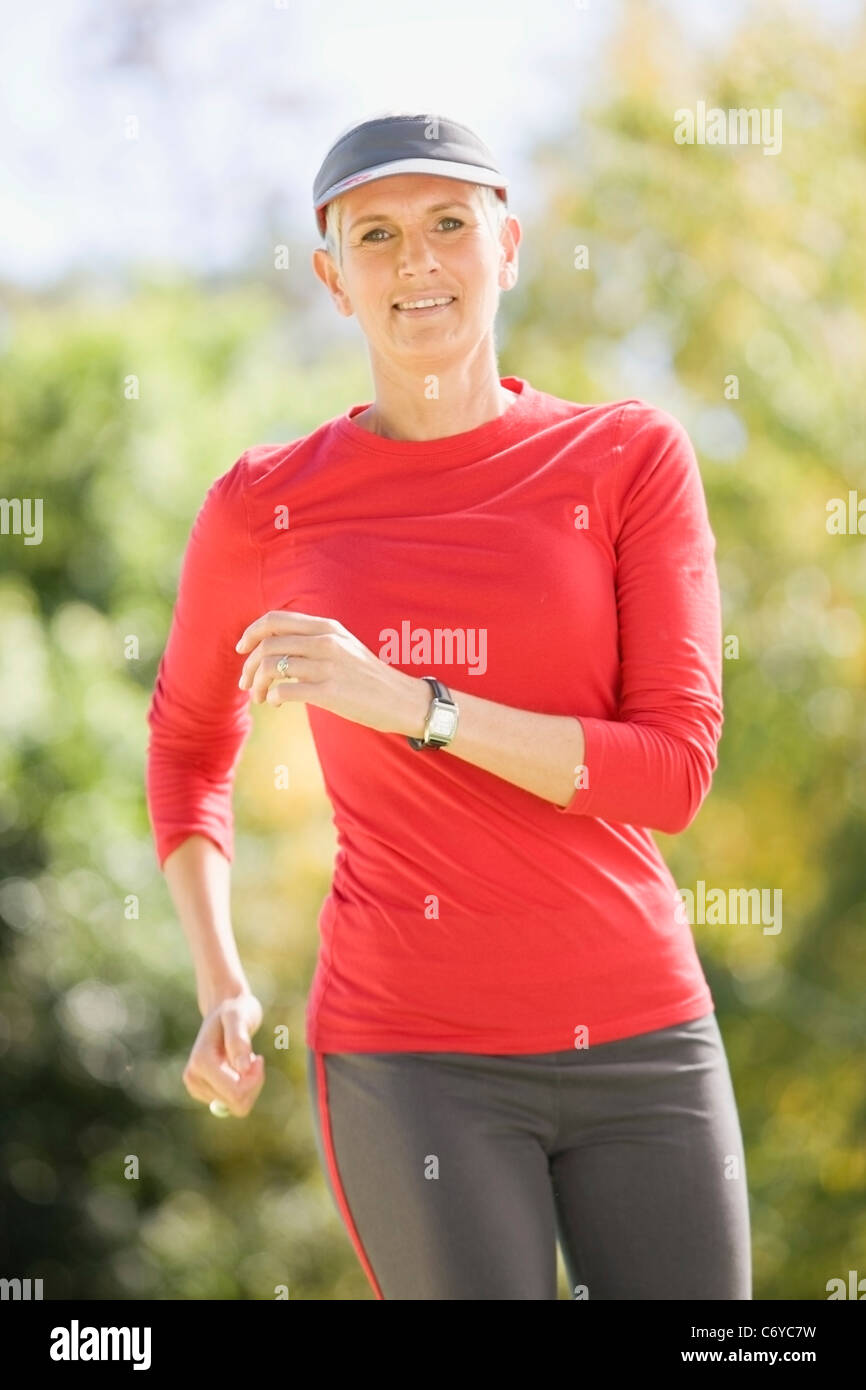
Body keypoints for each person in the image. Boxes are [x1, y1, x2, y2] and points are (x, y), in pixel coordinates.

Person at [145, 110, 752, 1300]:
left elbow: (670, 771)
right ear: (331, 278)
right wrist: (219, 980)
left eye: (446, 225)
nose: (415, 260)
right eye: (375, 235)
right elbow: (185, 743)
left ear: (507, 244)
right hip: (410, 1055)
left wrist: (411, 702)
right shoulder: (262, 508)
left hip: (643, 1035)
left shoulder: (625, 458)